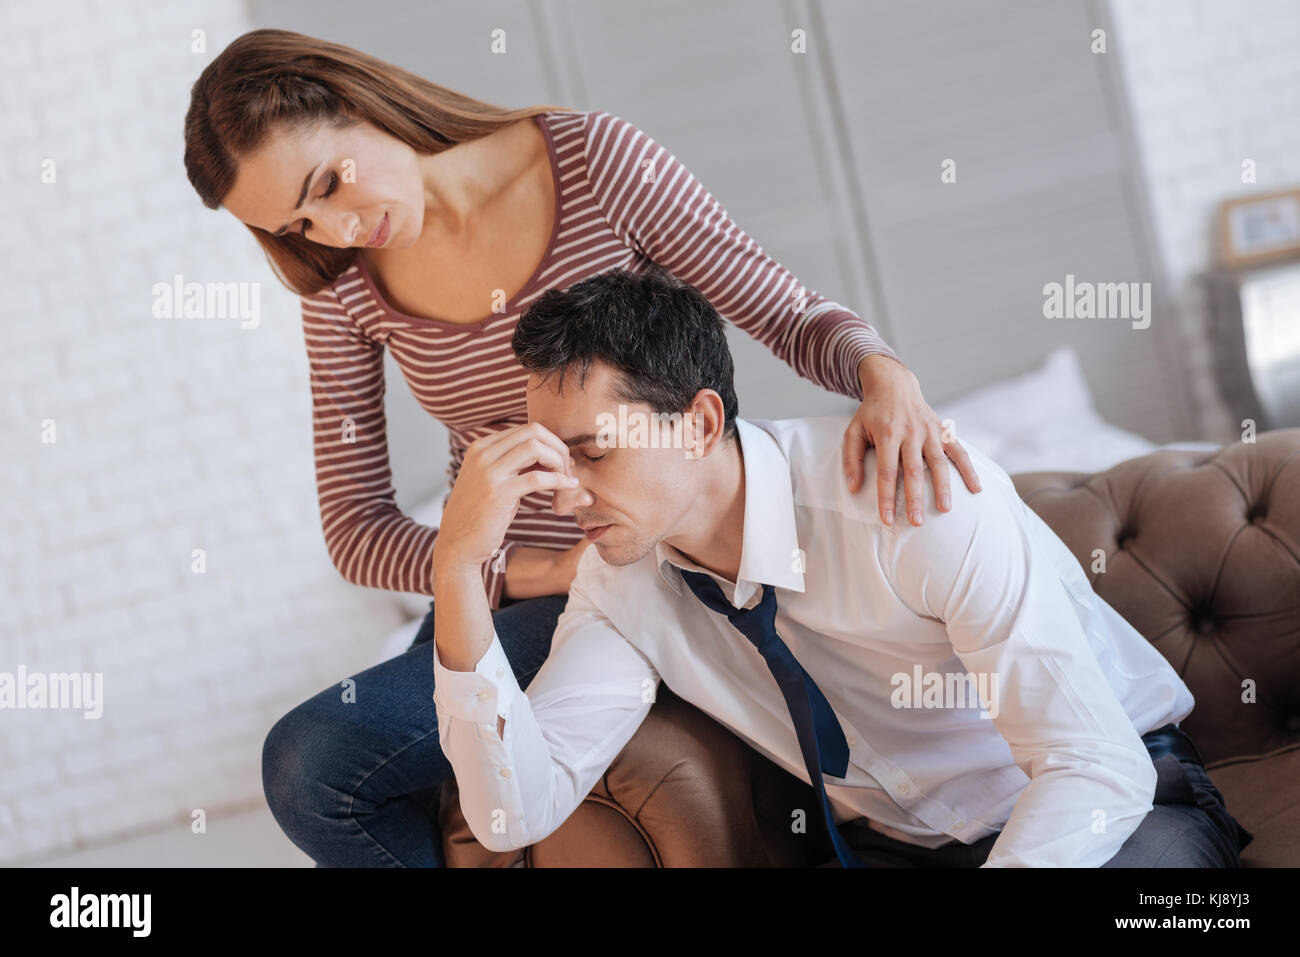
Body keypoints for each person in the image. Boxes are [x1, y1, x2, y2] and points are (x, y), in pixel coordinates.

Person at [185, 28, 982, 867]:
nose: (337, 229)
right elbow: (355, 528)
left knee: (312, 763)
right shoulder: (342, 285)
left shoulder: (595, 162)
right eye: (299, 222)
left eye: (327, 184)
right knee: (345, 779)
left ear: (356, 100)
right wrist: (523, 569)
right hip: (511, 584)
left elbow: (781, 309)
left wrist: (884, 374)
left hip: (639, 561)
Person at [430, 267, 1255, 867]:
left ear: (698, 421)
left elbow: (1093, 764)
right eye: (551, 460)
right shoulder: (620, 583)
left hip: (1112, 807)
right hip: (901, 847)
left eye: (594, 452)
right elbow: (512, 814)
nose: (566, 495)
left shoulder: (913, 504)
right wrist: (458, 567)